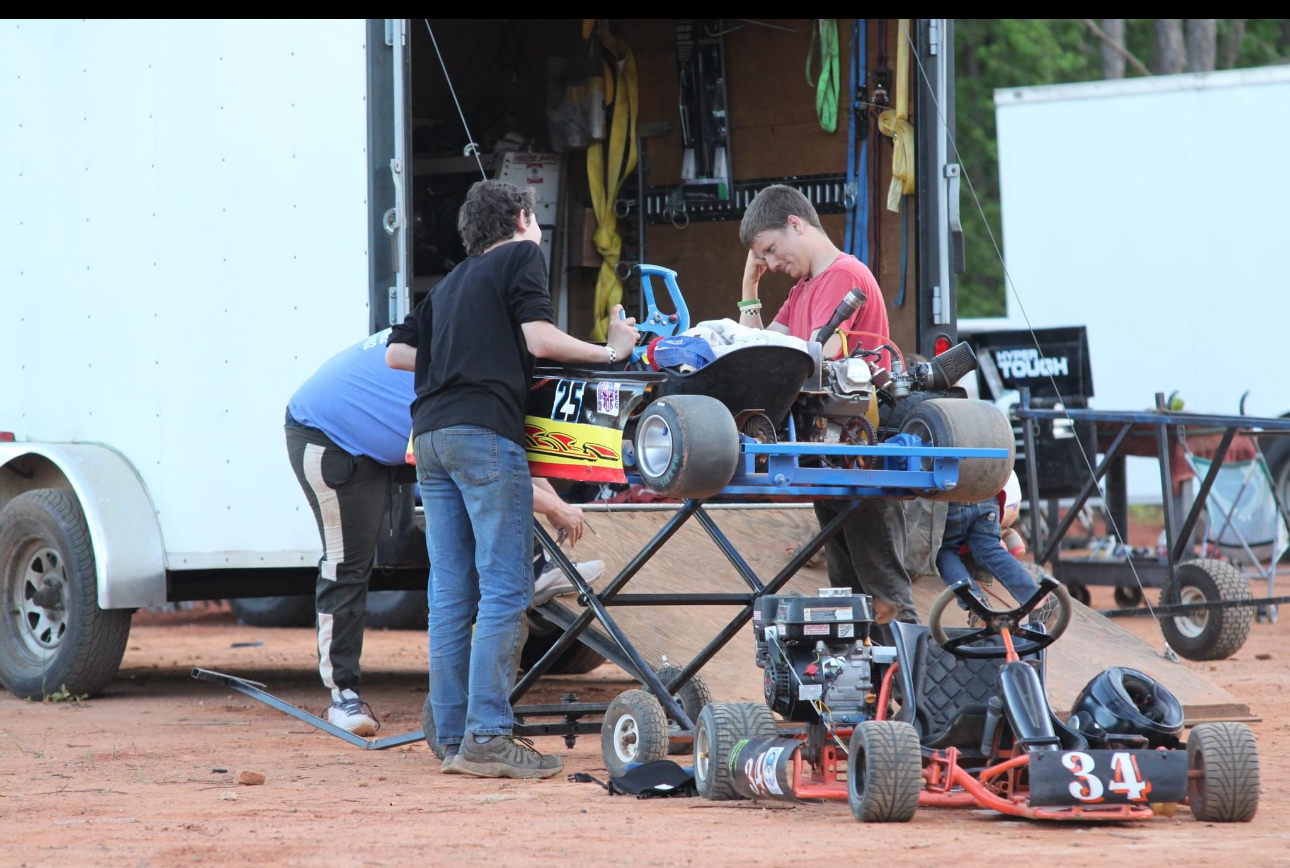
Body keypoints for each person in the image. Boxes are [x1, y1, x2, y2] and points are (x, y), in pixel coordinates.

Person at [387, 179, 639, 779]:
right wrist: (613, 352)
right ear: (525, 217)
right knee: (505, 588)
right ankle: (489, 737)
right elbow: (539, 339)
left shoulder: (449, 283)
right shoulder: (522, 255)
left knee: (451, 591)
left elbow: (397, 354)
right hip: (483, 430)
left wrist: (464, 355)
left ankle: (451, 736)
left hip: (431, 436)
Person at [285, 328, 604, 736]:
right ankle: (342, 695)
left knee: (473, 478)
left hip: (391, 429)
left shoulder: (475, 347)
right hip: (328, 435)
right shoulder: (462, 368)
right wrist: (557, 508)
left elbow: (506, 450)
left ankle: (537, 567)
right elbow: (482, 465)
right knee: (346, 565)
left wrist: (555, 503)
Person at [736, 184, 918, 624]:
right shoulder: (804, 288)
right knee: (849, 594)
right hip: (826, 454)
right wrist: (749, 284)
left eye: (772, 250)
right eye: (765, 258)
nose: (774, 265)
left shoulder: (842, 275)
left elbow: (818, 353)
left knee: (884, 596)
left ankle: (914, 689)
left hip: (858, 455)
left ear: (795, 224)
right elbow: (756, 346)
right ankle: (868, 691)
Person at [936, 471, 1058, 628]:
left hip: (953, 493)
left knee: (943, 550)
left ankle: (977, 603)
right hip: (993, 493)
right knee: (989, 547)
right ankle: (1039, 602)